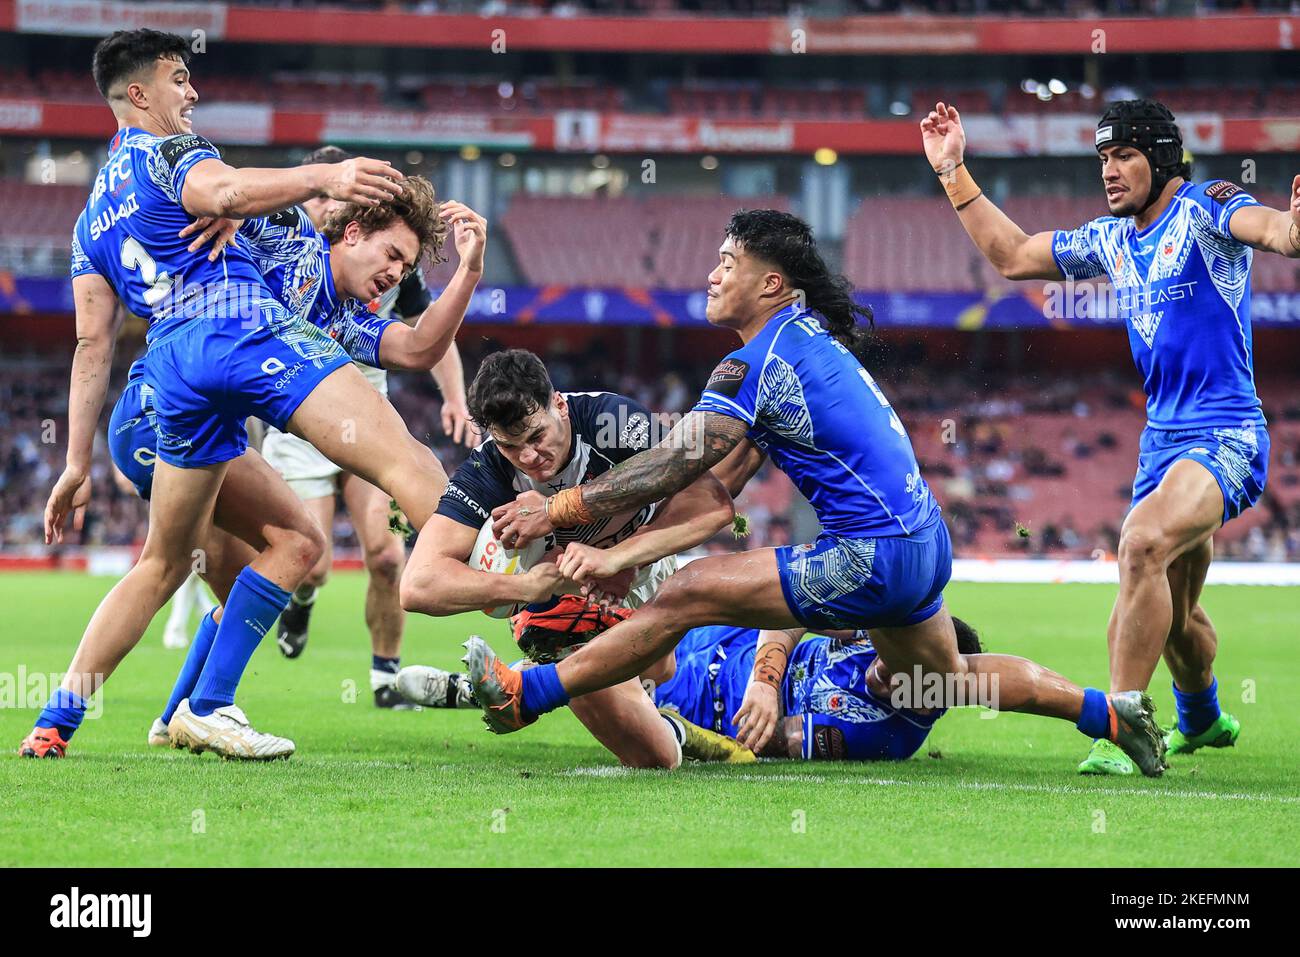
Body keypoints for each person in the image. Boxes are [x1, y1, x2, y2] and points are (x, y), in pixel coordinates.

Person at [472, 208, 1167, 776]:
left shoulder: (759, 357)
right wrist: (625, 542)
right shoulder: (806, 344)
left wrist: (558, 508)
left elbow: (678, 460)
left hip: (871, 552)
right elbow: (721, 482)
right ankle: (1109, 713)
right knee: (950, 677)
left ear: (772, 285)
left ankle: (527, 693)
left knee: (685, 593)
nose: (711, 274)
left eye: (727, 263)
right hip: (924, 546)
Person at [23, 29, 448, 759]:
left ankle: (61, 721)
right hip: (233, 334)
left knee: (176, 562)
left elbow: (93, 344)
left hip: (159, 388)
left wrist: (75, 462)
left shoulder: (88, 220)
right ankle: (494, 571)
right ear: (139, 93)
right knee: (355, 493)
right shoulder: (172, 153)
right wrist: (324, 177)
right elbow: (224, 190)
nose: (191, 93)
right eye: (179, 78)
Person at [919, 98, 1300, 775]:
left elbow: (1270, 228)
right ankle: (1204, 716)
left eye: (1123, 155)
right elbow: (1011, 255)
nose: (1110, 171)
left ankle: (1121, 725)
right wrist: (953, 172)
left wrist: (1294, 229)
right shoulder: (1112, 237)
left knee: (1141, 544)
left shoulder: (1207, 208)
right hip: (1161, 444)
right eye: (1102, 158)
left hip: (1227, 435)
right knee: (1173, 614)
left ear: (1159, 158)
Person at [398, 349, 747, 768]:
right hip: (560, 603)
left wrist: (621, 559)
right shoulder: (486, 471)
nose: (529, 457)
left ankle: (496, 684)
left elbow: (713, 507)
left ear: (558, 404)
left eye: (536, 436)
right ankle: (557, 684)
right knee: (655, 757)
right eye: (510, 446)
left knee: (660, 673)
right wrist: (527, 587)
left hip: (645, 567)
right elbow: (418, 585)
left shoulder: (615, 424)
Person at [271, 147, 481, 706]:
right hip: (292, 425)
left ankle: (387, 679)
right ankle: (298, 604)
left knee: (388, 556)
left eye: (405, 264)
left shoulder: (365, 298)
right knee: (307, 563)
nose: (396, 271)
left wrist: (456, 397)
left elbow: (420, 342)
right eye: (317, 195)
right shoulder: (280, 240)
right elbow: (223, 195)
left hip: (363, 420)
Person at [653, 617, 984, 761]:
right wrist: (766, 680)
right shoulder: (886, 633)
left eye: (907, 682)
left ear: (930, 699)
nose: (886, 672)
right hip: (727, 635)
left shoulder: (879, 736)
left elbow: (762, 738)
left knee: (614, 665)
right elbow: (790, 612)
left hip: (699, 700)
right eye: (897, 662)